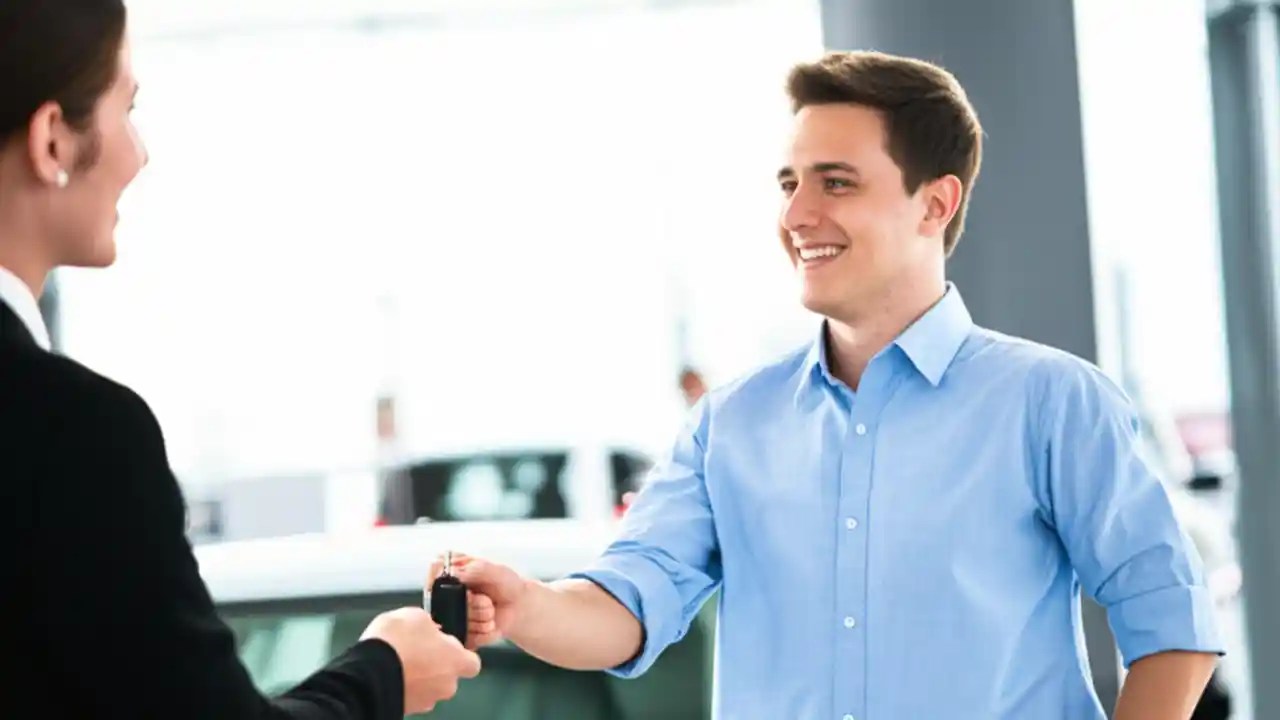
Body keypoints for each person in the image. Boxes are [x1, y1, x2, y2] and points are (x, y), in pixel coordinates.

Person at [441, 51, 1224, 719]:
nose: (797, 213)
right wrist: (527, 604)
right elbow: (629, 605)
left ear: (935, 203)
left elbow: (1171, 623)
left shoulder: (1051, 403)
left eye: (836, 183)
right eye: (789, 182)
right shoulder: (730, 425)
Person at [0, 1, 480, 716]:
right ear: (52, 142)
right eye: (126, 109)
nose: (139, 153)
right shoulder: (76, 434)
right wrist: (387, 672)